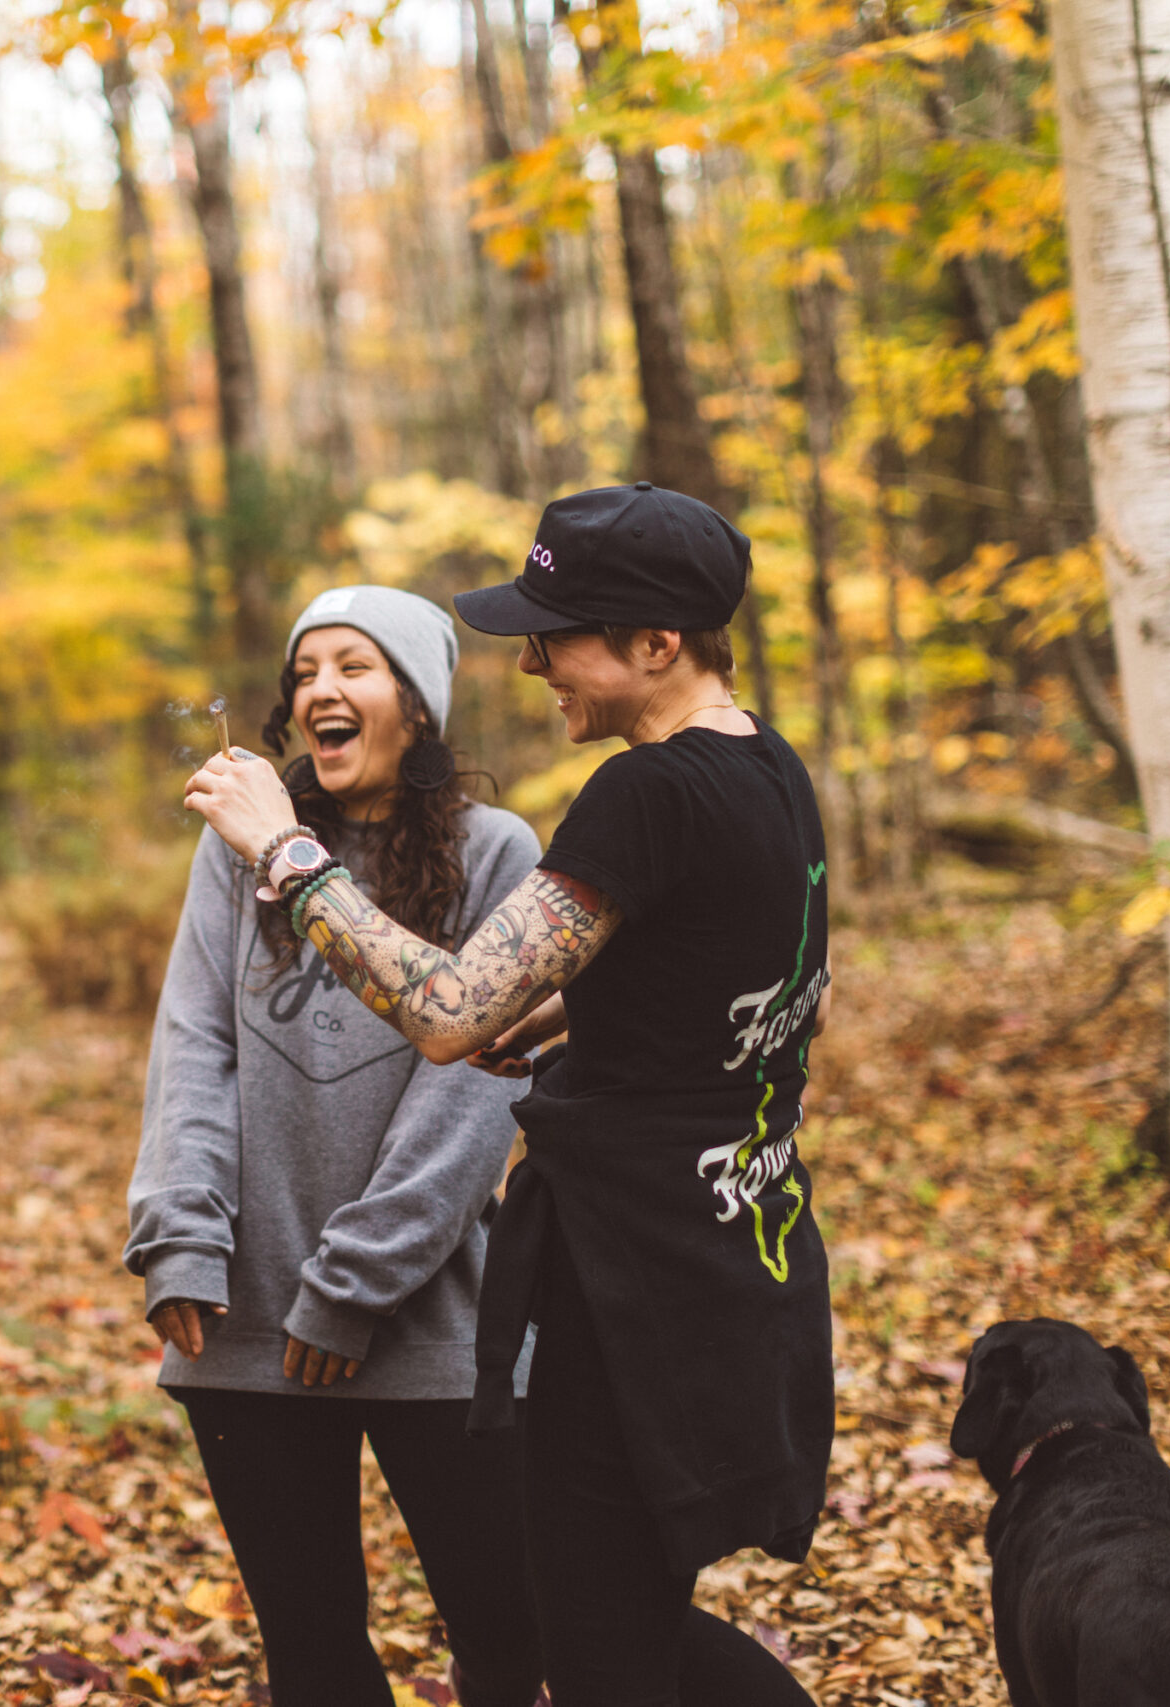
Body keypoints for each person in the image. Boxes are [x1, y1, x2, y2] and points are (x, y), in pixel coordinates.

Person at [182, 486, 831, 1707]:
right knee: (613, 1616)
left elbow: (444, 1015)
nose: (529, 660)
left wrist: (284, 852)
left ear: (657, 645)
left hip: (633, 1282)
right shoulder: (769, 772)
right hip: (739, 1254)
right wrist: (592, 1009)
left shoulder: (648, 791)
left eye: (557, 631)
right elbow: (776, 983)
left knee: (595, 1642)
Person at [127, 586, 547, 1707]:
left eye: (353, 667)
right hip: (245, 1323)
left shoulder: (497, 853)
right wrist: (178, 1237)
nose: (321, 689)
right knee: (310, 1659)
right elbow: (192, 1048)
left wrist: (357, 1283)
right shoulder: (238, 856)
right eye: (306, 671)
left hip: (435, 1321)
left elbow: (474, 1089)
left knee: (509, 1641)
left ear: (415, 705)